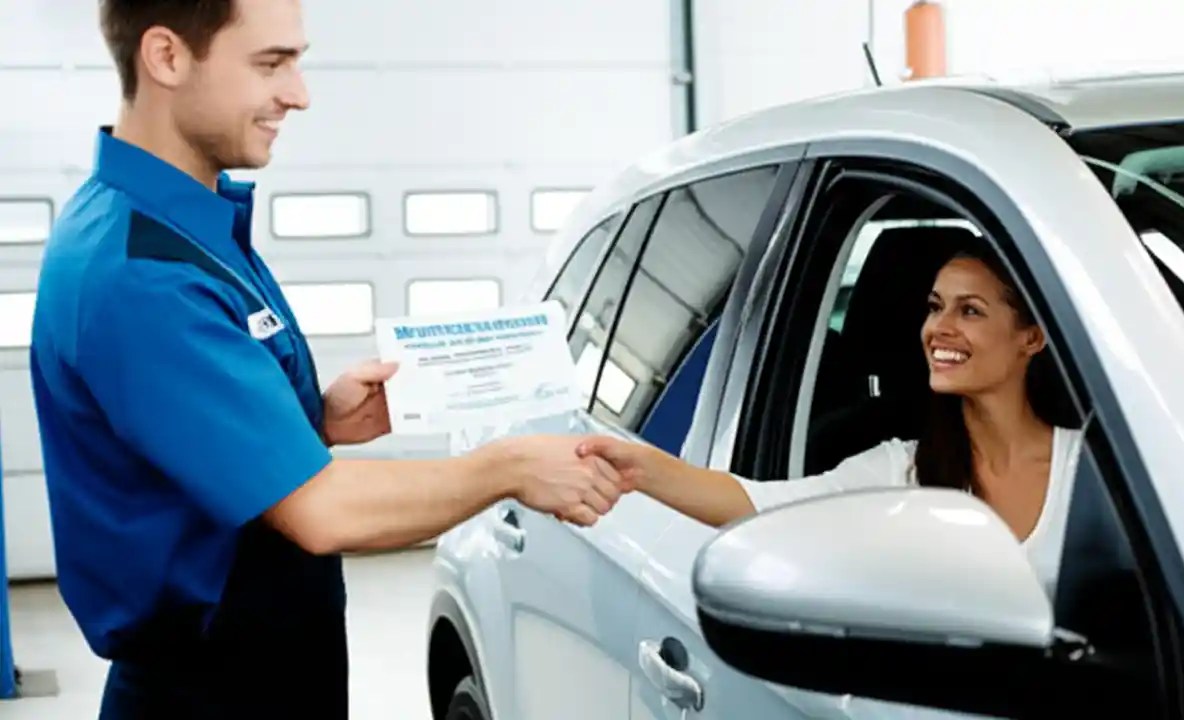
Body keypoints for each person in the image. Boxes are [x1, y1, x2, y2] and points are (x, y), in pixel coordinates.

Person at [28, 2, 623, 718]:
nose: (299, 94)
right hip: (212, 691)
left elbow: (181, 434)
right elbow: (323, 510)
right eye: (271, 64)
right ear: (167, 57)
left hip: (257, 666)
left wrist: (313, 418)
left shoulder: (174, 226)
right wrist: (512, 467)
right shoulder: (143, 273)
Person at [578, 240, 1084, 596]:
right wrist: (638, 465)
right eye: (935, 307)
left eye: (969, 311)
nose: (938, 328)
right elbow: (756, 503)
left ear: (1031, 337)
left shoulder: (1090, 468)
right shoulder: (900, 470)